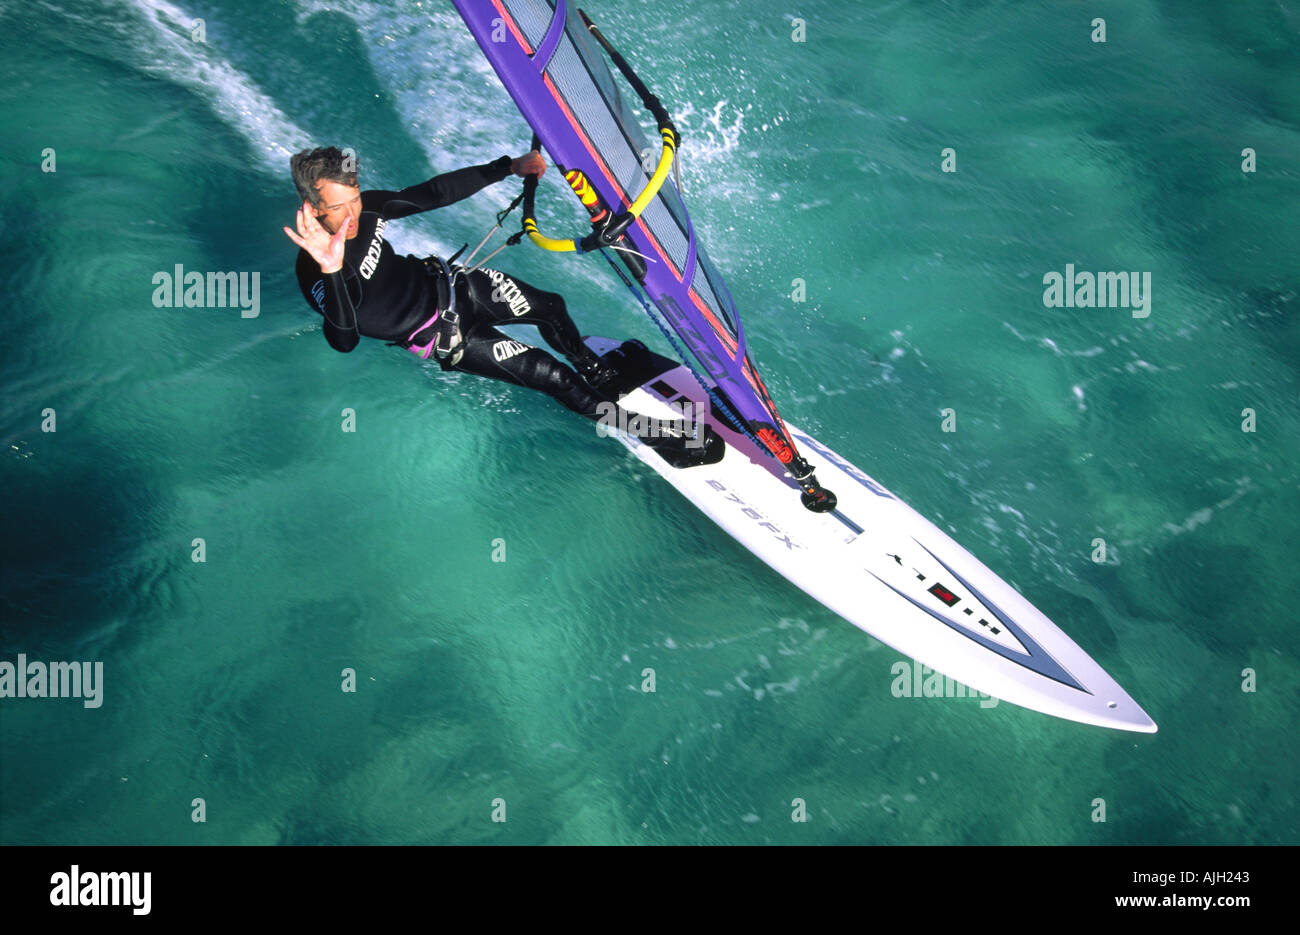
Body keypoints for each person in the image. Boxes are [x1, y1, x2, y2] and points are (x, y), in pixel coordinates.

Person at [284, 146, 718, 466]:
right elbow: (342, 338)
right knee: (556, 378)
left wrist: (506, 168)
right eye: (340, 207)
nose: (354, 212)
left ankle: (597, 369)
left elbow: (429, 194)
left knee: (551, 306)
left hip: (460, 286)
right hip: (451, 336)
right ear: (313, 208)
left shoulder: (365, 210)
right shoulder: (314, 269)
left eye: (356, 197)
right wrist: (331, 267)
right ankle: (656, 435)